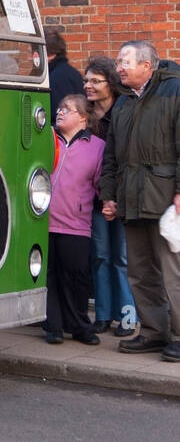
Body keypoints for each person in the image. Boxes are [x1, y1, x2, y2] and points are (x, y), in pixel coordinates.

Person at [99, 40, 180, 361]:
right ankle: (153, 332)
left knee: (173, 274)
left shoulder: (174, 93)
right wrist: (109, 195)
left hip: (166, 202)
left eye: (124, 62)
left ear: (147, 66)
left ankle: (178, 334)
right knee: (141, 272)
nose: (118, 67)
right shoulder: (123, 103)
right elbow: (111, 156)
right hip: (131, 200)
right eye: (119, 62)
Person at [44, 94, 105, 345]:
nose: (59, 112)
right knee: (49, 275)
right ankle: (53, 326)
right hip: (43, 221)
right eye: (59, 109)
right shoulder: (46, 139)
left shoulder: (97, 146)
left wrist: (111, 201)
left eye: (67, 109)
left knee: (76, 276)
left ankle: (79, 326)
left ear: (82, 117)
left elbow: (101, 182)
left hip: (76, 224)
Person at [83, 56, 136, 335]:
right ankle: (102, 315)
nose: (88, 86)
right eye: (86, 80)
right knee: (101, 256)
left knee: (123, 259)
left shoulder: (127, 109)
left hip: (124, 196)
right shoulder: (86, 115)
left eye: (94, 81)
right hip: (96, 199)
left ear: (110, 83)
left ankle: (127, 316)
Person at [46, 28, 84, 113]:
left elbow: (59, 115)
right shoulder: (70, 72)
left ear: (50, 54)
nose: (29, 58)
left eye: (32, 53)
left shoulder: (57, 78)